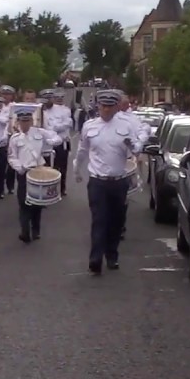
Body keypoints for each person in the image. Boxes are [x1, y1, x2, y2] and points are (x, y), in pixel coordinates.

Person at [74, 90, 144, 274]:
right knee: (99, 219)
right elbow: (82, 150)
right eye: (103, 106)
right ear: (98, 106)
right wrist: (76, 169)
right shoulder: (89, 126)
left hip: (119, 181)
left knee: (116, 220)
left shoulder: (125, 126)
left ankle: (112, 255)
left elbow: (136, 149)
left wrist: (134, 145)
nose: (106, 109)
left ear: (116, 107)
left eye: (109, 106)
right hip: (98, 181)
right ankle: (95, 259)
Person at [8, 109, 62, 243]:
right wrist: (20, 168)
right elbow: (12, 157)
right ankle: (25, 231)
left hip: (38, 171)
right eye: (22, 121)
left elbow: (57, 138)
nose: (25, 124)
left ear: (31, 121)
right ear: (18, 122)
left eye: (27, 121)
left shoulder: (40, 132)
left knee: (37, 202)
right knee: (23, 202)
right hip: (24, 172)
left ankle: (36, 230)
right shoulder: (15, 138)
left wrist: (51, 141)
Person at [47, 90, 75, 195]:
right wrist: (58, 126)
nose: (59, 99)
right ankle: (50, 189)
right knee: (50, 167)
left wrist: (55, 126)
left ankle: (62, 189)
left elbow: (68, 124)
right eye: (57, 97)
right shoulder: (47, 110)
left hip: (62, 142)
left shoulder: (66, 110)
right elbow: (48, 126)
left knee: (62, 168)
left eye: (61, 97)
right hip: (50, 142)